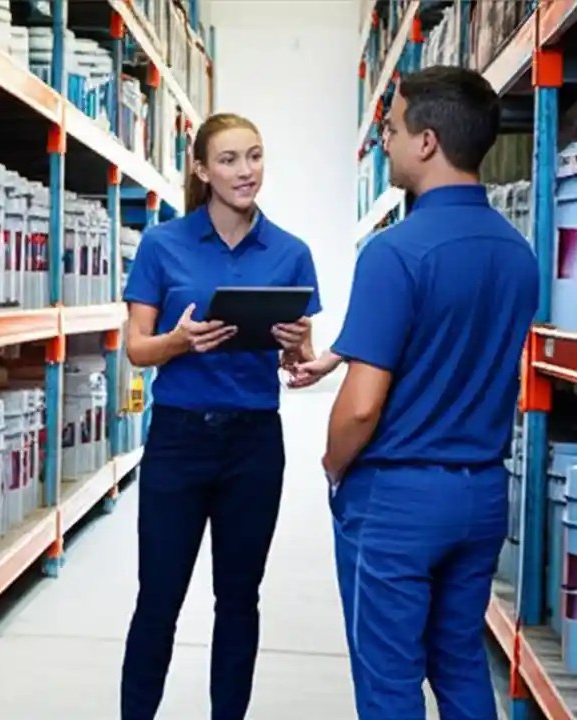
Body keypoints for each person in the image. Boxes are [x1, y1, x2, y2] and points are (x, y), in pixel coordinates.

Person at [292, 66, 540, 718]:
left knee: (389, 681)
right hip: (483, 493)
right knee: (459, 661)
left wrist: (333, 465)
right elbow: (450, 338)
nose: (387, 142)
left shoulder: (394, 252)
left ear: (427, 142)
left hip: (398, 497)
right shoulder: (518, 253)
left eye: (394, 129)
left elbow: (362, 405)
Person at [120, 112, 322, 719]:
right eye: (229, 159)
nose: (245, 171)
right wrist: (178, 342)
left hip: (254, 443)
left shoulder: (291, 252)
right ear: (203, 170)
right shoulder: (162, 244)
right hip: (179, 439)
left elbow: (300, 358)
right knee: (159, 598)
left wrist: (297, 347)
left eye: (254, 156)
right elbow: (137, 349)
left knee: (238, 600)